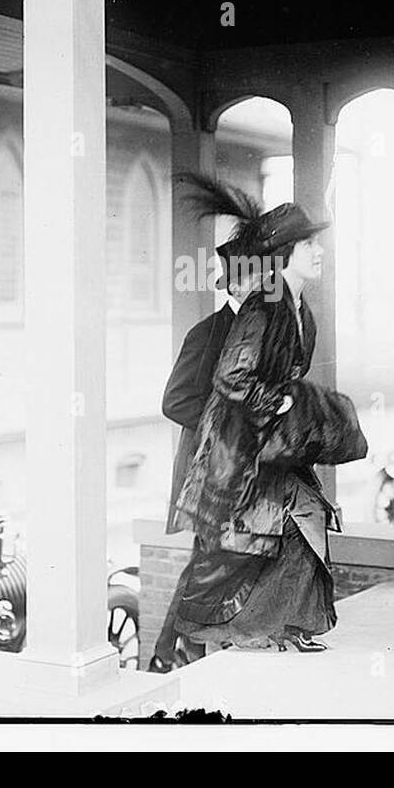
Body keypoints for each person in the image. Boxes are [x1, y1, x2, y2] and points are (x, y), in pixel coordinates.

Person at [169, 194, 344, 653]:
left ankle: (288, 622)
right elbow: (231, 377)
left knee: (303, 520)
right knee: (234, 552)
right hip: (237, 455)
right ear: (286, 255)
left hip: (268, 448)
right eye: (309, 245)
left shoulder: (301, 312)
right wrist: (278, 404)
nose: (319, 251)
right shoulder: (263, 308)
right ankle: (199, 646)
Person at [147, 229, 262, 672]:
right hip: (208, 470)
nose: (264, 288)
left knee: (219, 561)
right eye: (255, 279)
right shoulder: (208, 333)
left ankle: (186, 652)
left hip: (241, 470)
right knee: (207, 562)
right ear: (234, 285)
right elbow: (175, 400)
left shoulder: (259, 334)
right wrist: (228, 426)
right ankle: (170, 655)